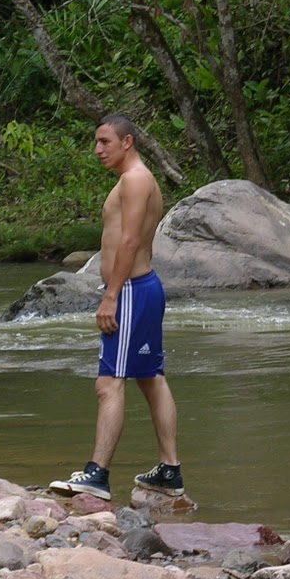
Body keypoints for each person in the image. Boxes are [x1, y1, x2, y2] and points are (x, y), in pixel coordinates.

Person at [49, 114, 184, 500]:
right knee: (150, 378)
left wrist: (111, 295)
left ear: (127, 142)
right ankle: (169, 471)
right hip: (138, 288)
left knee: (109, 383)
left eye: (104, 141)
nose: (97, 149)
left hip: (131, 291)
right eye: (96, 141)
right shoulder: (133, 180)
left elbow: (128, 243)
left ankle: (97, 475)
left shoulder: (136, 180)